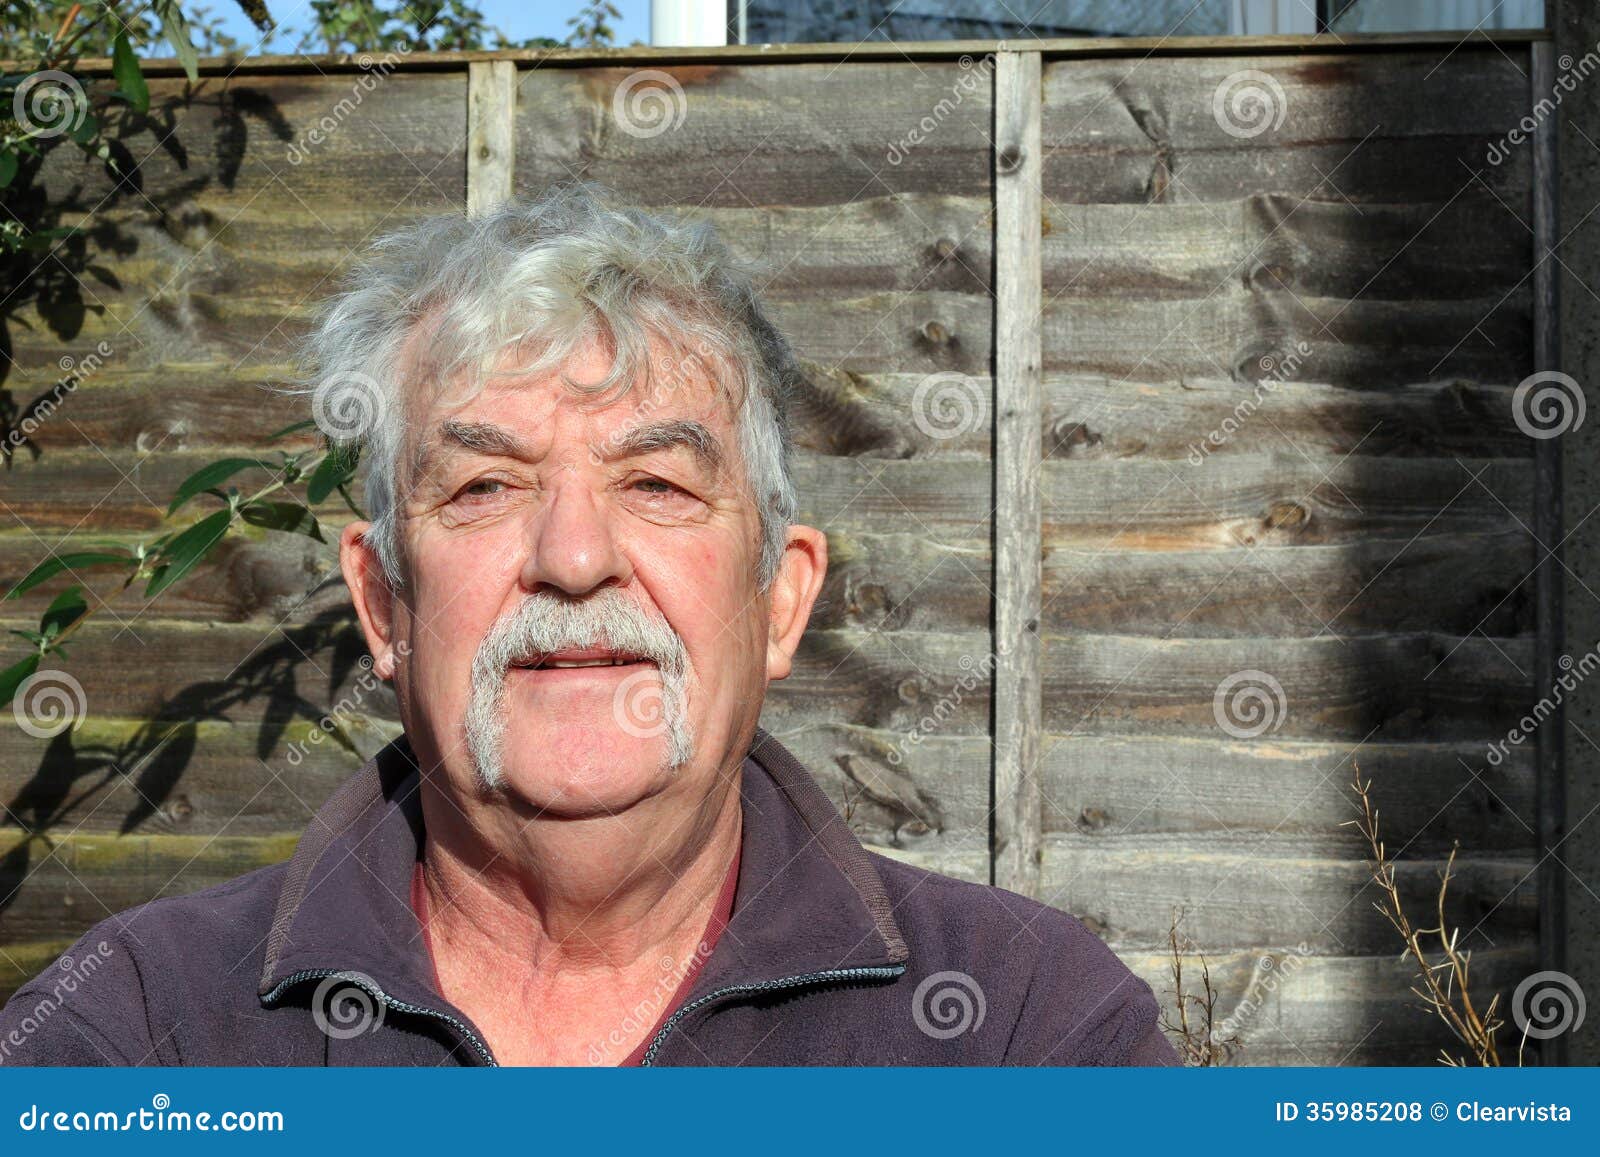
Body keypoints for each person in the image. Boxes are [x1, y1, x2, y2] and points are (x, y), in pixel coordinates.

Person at [0, 185, 1175, 1067]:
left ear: (779, 597)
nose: (572, 556)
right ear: (383, 605)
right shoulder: (131, 1034)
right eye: (482, 488)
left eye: (657, 483)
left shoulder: (1032, 1030)